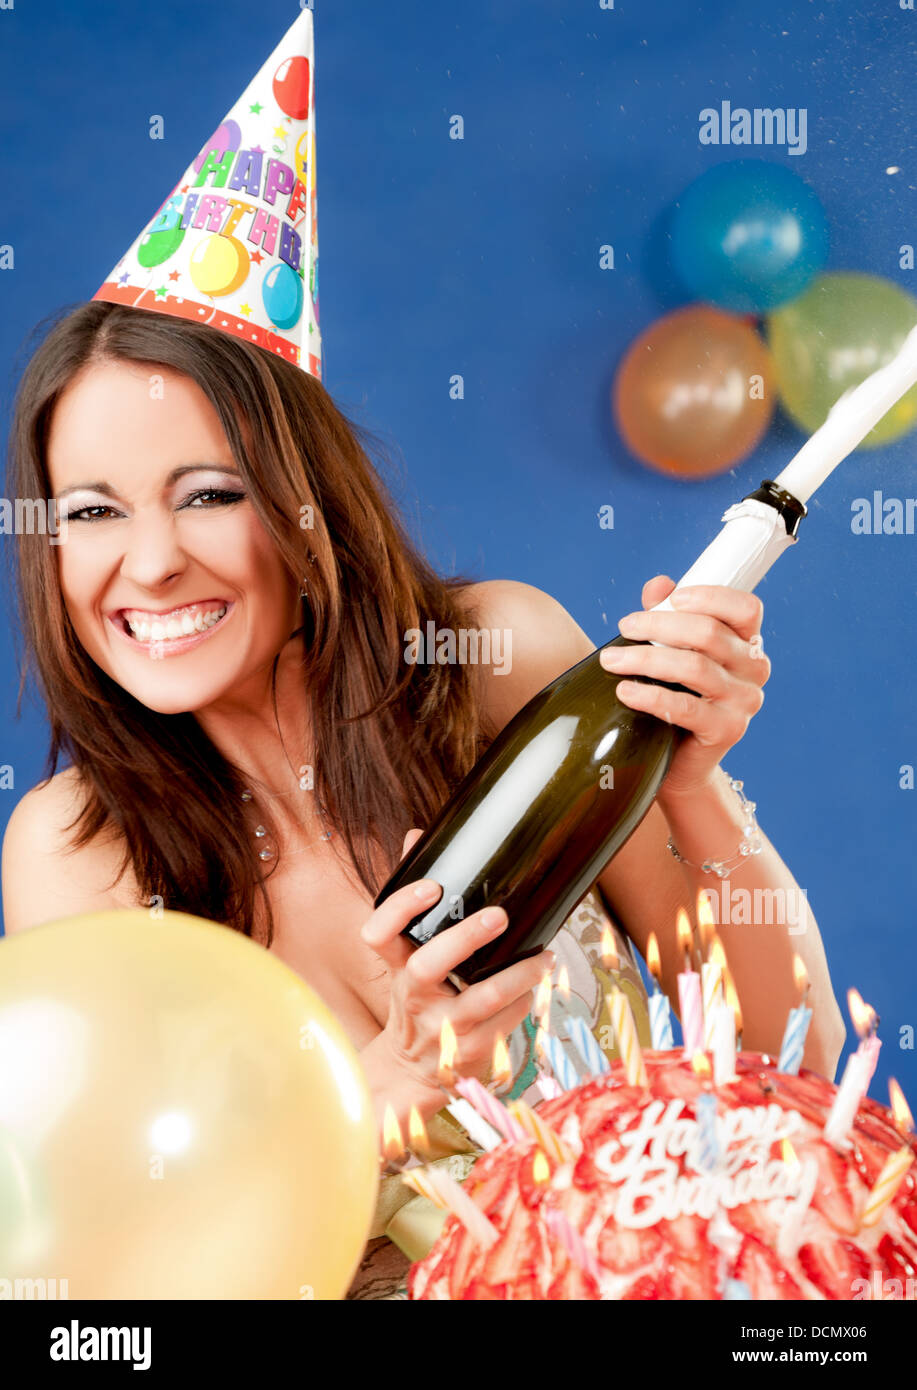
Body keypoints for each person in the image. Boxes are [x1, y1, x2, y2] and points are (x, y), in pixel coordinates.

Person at [1, 301, 844, 1298]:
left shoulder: (496, 662)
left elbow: (795, 1061)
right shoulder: (79, 849)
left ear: (303, 498)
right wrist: (394, 1082)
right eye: (92, 511)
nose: (148, 563)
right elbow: (141, 1276)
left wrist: (694, 787)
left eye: (208, 494)